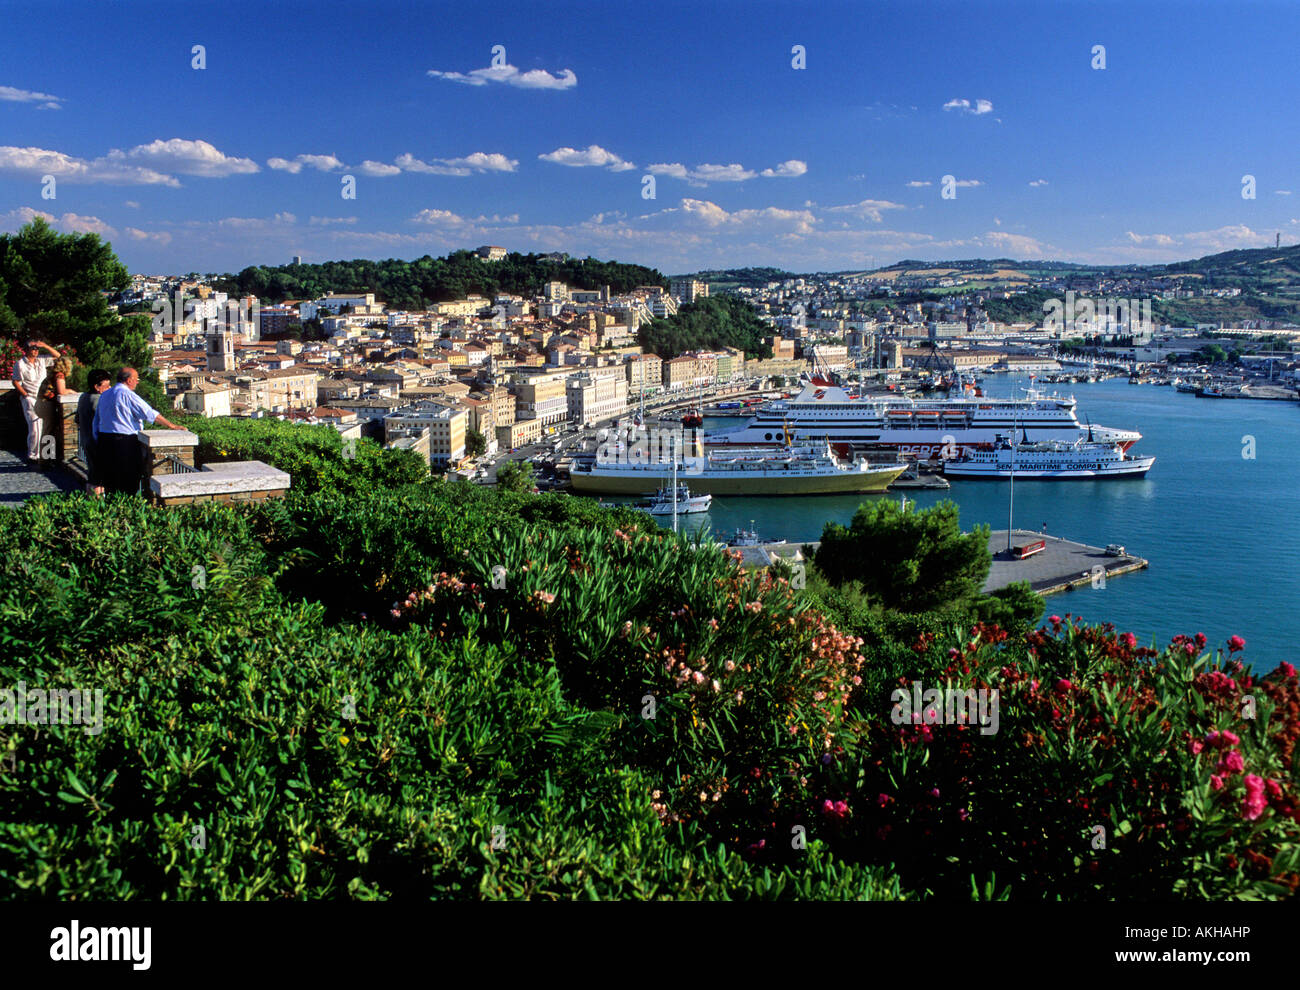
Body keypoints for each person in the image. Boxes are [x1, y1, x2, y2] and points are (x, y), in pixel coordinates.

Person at [93, 367, 181, 496]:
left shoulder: (105, 394)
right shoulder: (127, 394)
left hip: (105, 440)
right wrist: (171, 425)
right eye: (136, 379)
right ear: (129, 380)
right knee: (128, 481)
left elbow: (96, 421)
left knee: (110, 481)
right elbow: (149, 413)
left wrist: (98, 440)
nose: (138, 382)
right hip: (124, 443)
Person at [10, 339, 62, 465]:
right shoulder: (20, 364)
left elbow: (58, 356)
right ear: (26, 350)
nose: (35, 351)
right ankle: (33, 455)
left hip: (43, 397)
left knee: (44, 426)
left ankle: (43, 456)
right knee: (35, 426)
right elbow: (15, 381)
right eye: (33, 348)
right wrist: (25, 395)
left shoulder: (42, 360)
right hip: (30, 397)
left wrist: (45, 345)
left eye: (36, 349)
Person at [77, 369, 113, 495]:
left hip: (85, 440)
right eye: (107, 386)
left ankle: (91, 500)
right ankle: (97, 505)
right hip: (96, 443)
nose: (110, 388)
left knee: (93, 473)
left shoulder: (83, 397)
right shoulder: (98, 401)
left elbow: (77, 419)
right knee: (98, 477)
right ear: (97, 387)